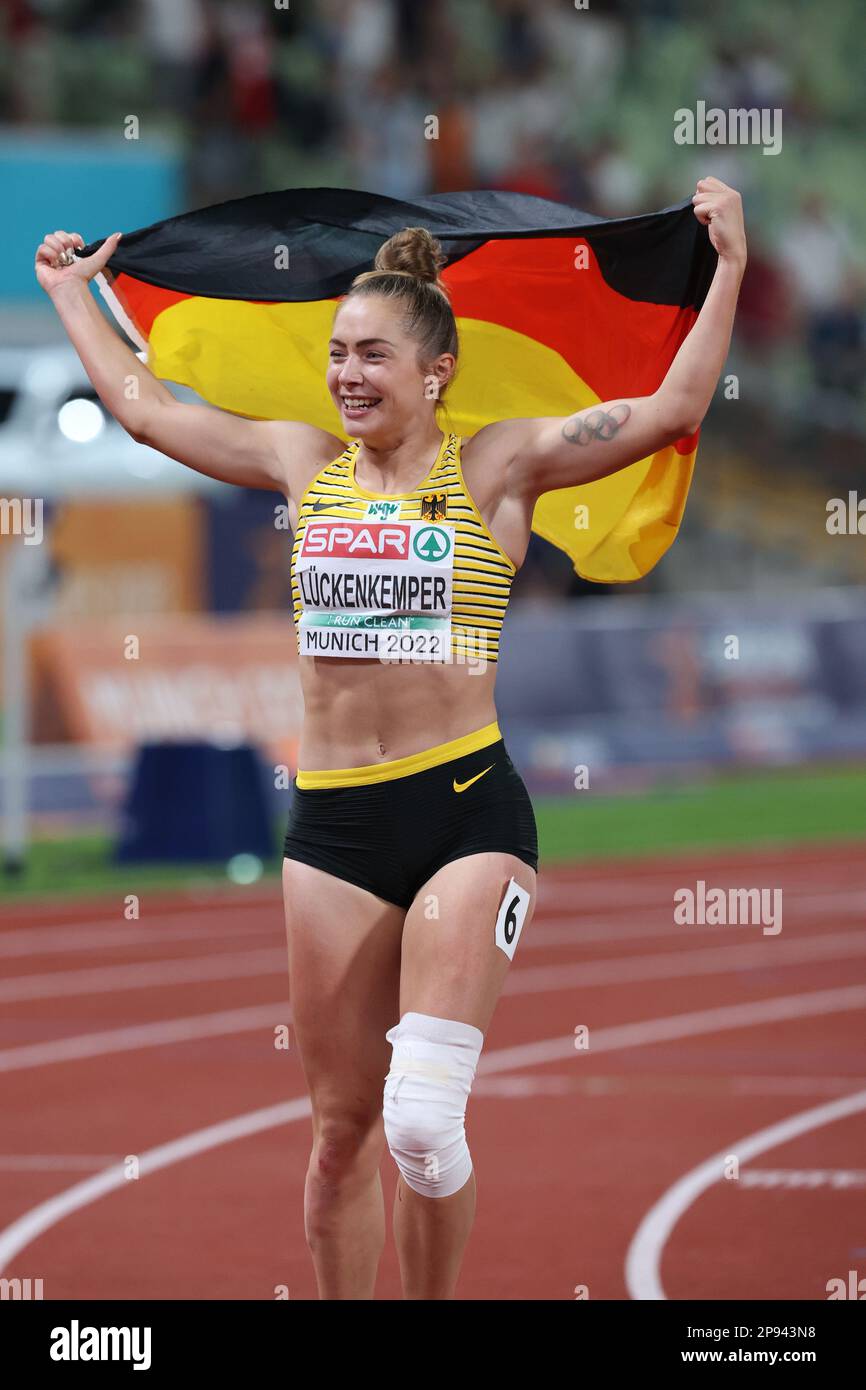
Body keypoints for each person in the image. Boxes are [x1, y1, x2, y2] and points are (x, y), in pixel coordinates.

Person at [35, 175, 746, 1300]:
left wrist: (729, 269)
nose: (344, 376)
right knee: (337, 1133)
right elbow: (146, 407)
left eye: (369, 355)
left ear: (435, 371)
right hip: (334, 828)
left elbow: (665, 409)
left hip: (464, 808)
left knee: (421, 1116)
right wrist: (72, 293)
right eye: (335, 354)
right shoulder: (300, 462)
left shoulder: (498, 467)